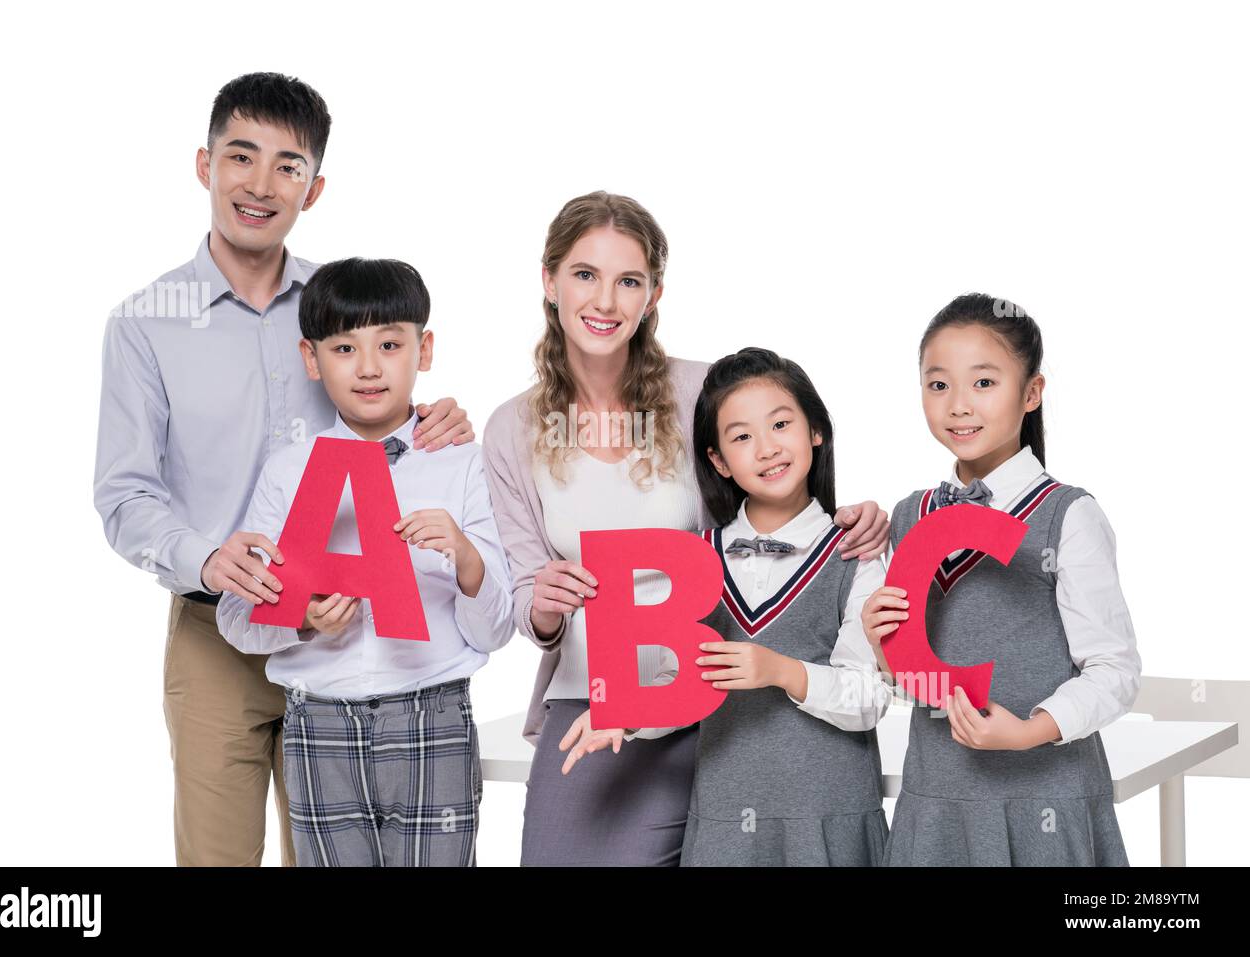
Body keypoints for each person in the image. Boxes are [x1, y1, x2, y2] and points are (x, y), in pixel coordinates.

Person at [93, 73, 472, 866]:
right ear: (205, 165)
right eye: (242, 157)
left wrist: (439, 418)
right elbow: (125, 493)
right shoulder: (144, 325)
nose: (261, 185)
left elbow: (385, 406)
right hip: (217, 637)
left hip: (350, 635)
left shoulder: (341, 312)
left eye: (288, 165)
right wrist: (207, 557)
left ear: (315, 185)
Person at [482, 190, 890, 866]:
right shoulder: (513, 428)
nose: (605, 300)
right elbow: (529, 600)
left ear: (654, 295)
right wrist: (545, 606)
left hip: (727, 684)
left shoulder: (705, 392)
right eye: (585, 274)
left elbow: (778, 501)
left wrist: (861, 516)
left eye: (629, 280)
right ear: (549, 281)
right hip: (598, 692)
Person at [215, 257, 514, 866]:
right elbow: (236, 618)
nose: (370, 367)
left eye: (390, 344)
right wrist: (302, 620)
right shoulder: (290, 471)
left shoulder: (462, 464)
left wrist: (464, 555)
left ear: (423, 350)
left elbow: (497, 626)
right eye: (345, 347)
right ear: (311, 359)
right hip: (318, 721)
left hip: (433, 712)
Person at [862, 293, 1141, 866]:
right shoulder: (911, 516)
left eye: (983, 383)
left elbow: (1114, 670)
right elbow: (915, 679)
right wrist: (880, 644)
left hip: (1045, 799)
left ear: (1031, 393)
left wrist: (1032, 729)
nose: (959, 405)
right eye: (939, 385)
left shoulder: (1067, 515)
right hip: (936, 800)